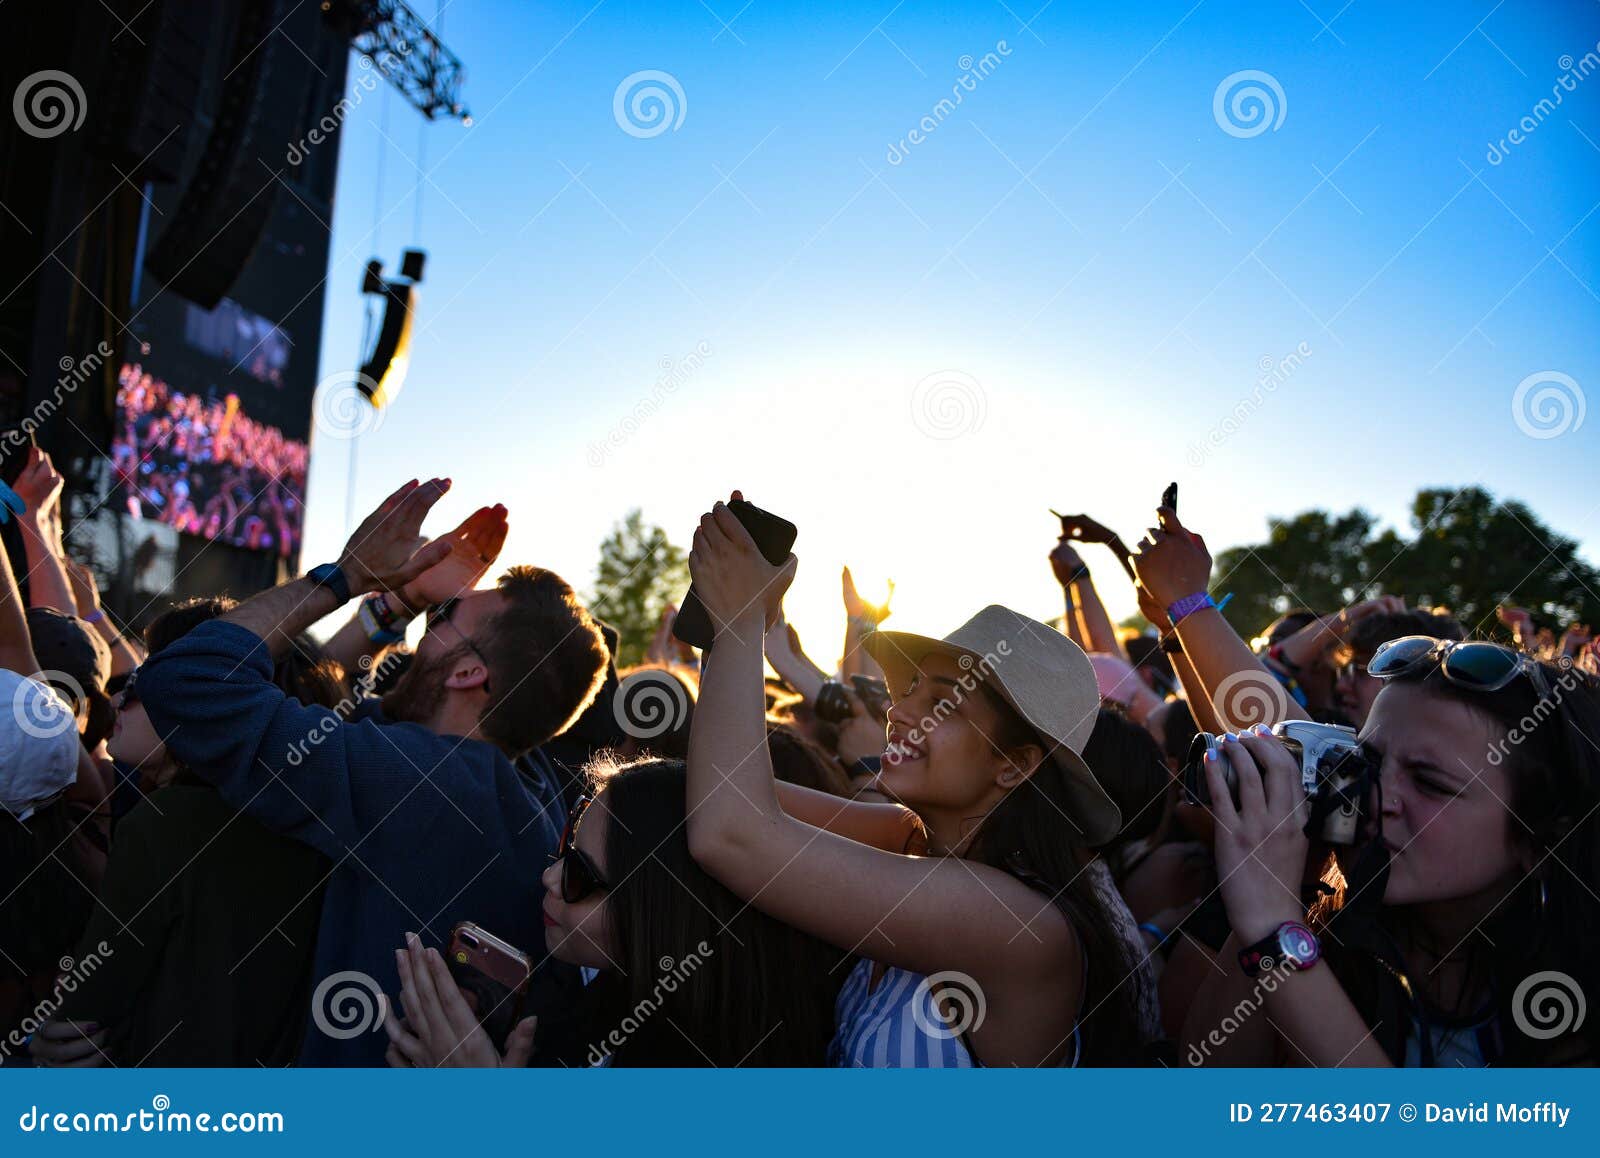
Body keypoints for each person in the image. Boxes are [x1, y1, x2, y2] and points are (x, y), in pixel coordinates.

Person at [108, 478, 609, 1064]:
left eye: (442, 619)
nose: (421, 632)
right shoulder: (522, 787)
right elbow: (323, 701)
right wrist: (401, 602)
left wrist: (345, 578)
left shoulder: (426, 784)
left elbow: (187, 679)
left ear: (469, 674)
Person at [680, 494, 1151, 1067]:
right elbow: (719, 791)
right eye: (907, 692)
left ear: (1015, 764)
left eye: (944, 705)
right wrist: (740, 622)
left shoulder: (1014, 919)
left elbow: (728, 835)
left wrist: (738, 621)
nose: (899, 713)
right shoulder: (912, 838)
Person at [1182, 636, 1600, 1065]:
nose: (1378, 800)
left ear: (1540, 840)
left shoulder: (1569, 998)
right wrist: (1292, 891)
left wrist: (1275, 932)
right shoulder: (1335, 919)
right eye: (1369, 764)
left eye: (1430, 783)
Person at [382, 758, 856, 1067]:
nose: (550, 878)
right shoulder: (601, 1006)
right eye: (564, 847)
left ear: (662, 915)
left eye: (579, 876)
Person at [32, 598, 343, 1067]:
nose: (119, 697)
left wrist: (48, 1030)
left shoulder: (167, 822)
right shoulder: (322, 822)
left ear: (200, 696)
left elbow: (80, 1022)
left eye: (149, 680)